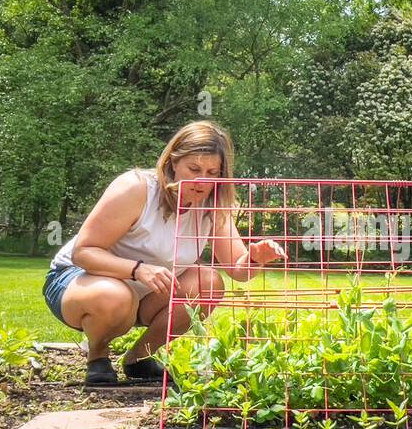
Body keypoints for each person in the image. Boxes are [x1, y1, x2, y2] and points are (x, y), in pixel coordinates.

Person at [42, 121, 285, 386]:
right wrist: (138, 269)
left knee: (209, 284)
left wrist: (255, 257)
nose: (202, 180)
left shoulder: (213, 205)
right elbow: (84, 252)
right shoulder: (137, 187)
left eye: (212, 172)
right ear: (172, 162)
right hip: (82, 279)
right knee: (115, 296)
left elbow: (238, 270)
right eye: (193, 169)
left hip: (148, 288)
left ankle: (139, 358)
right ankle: (97, 355)